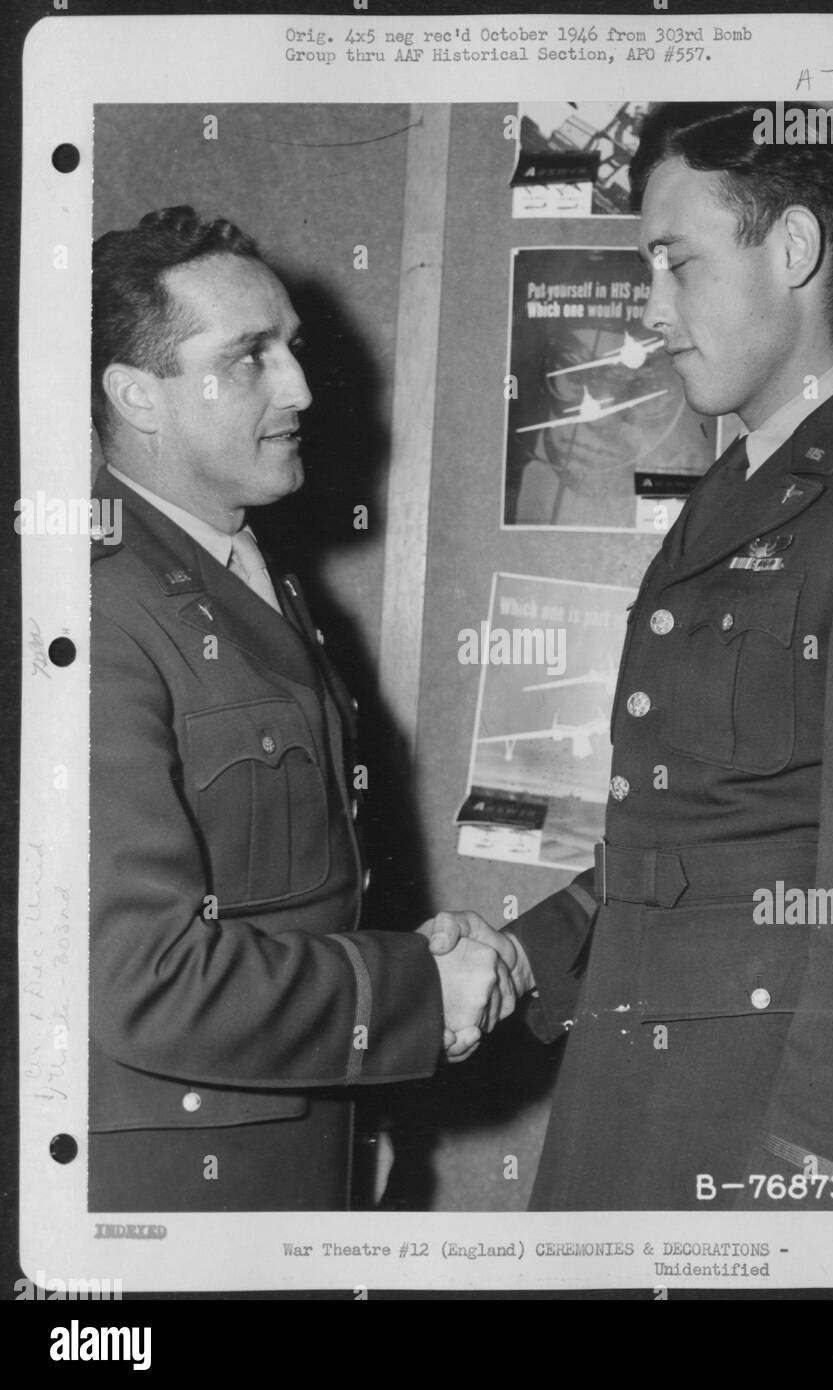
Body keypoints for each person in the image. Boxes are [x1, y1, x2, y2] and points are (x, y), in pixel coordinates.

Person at [432, 104, 833, 1211]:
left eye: (677, 265)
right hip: (643, 1095)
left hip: (765, 1140)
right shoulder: (744, 486)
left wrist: (824, 1188)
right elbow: (700, 841)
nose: (654, 313)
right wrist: (531, 955)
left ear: (796, 248)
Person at [88, 206, 512, 1212]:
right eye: (249, 357)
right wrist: (413, 993)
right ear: (137, 396)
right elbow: (145, 977)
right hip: (181, 1199)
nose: (303, 388)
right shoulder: (102, 609)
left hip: (295, 1152)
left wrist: (395, 984)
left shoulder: (234, 570)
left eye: (294, 349)